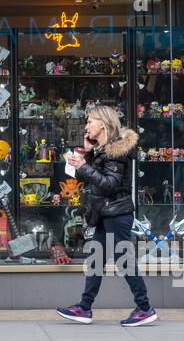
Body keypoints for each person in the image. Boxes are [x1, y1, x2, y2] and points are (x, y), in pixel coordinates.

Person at [56, 105, 158, 326]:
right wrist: (87, 153)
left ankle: (145, 308)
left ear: (102, 124)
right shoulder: (104, 150)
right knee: (95, 260)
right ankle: (84, 308)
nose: (87, 126)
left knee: (124, 259)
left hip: (117, 212)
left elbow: (109, 184)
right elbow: (101, 177)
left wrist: (83, 165)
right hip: (106, 212)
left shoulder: (116, 152)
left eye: (90, 121)